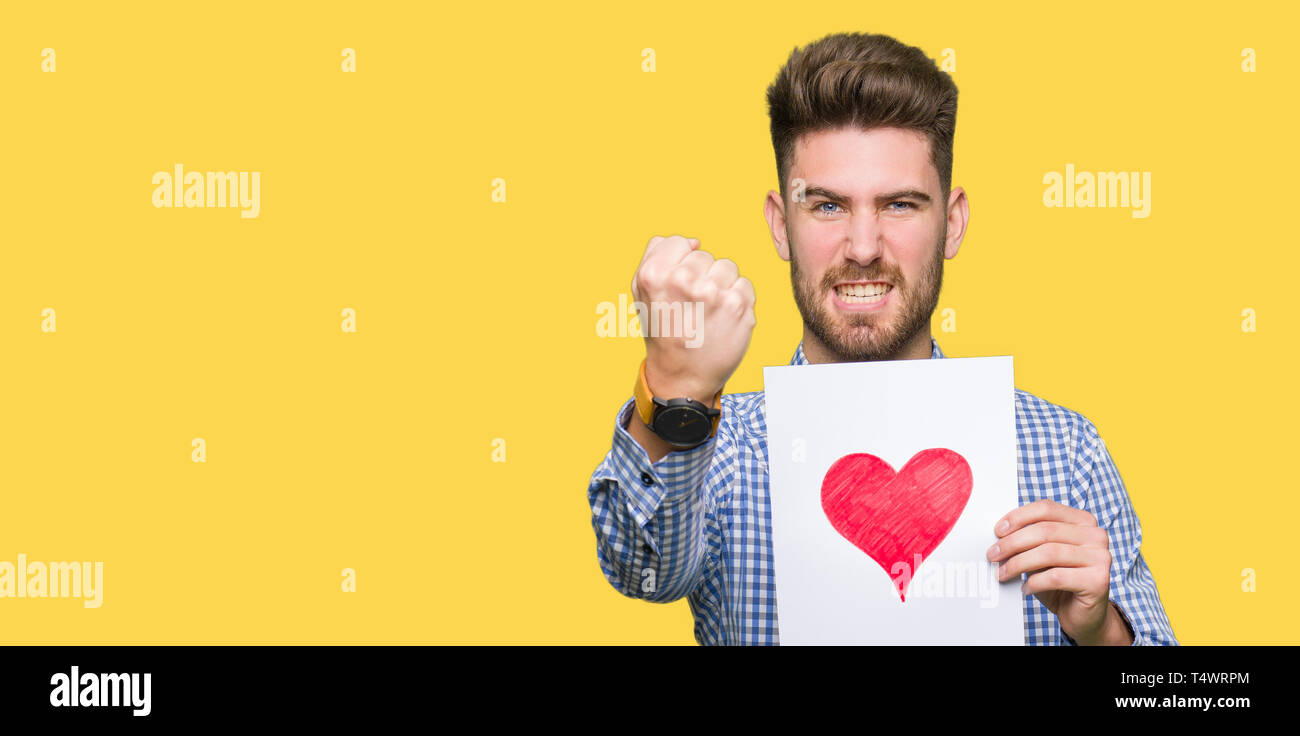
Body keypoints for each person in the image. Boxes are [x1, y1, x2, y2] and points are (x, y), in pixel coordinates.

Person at [586, 31, 1177, 646]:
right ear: (779, 224)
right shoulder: (721, 451)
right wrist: (677, 393)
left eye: (898, 204)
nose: (864, 248)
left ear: (951, 224)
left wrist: (1105, 633)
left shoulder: (1065, 453)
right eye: (826, 207)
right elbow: (640, 569)